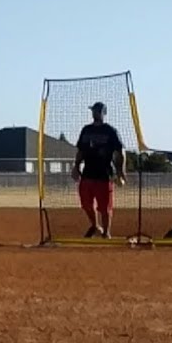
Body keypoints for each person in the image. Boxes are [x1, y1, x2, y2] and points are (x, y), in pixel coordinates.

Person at [71, 101, 127, 239]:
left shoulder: (110, 131)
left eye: (97, 111)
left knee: (104, 207)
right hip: (87, 174)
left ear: (103, 113)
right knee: (86, 204)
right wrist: (76, 166)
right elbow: (80, 151)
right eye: (93, 111)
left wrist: (121, 171)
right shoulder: (86, 130)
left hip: (104, 175)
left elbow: (120, 151)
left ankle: (106, 232)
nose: (95, 113)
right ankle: (95, 226)